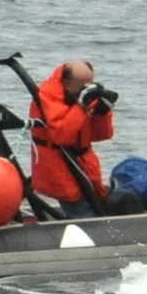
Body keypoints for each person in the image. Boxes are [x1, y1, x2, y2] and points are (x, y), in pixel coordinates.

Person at [29, 60, 120, 217]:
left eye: (88, 86)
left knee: (110, 202)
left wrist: (102, 113)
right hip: (58, 166)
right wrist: (81, 106)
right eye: (80, 88)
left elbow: (100, 135)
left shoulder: (76, 95)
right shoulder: (48, 95)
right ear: (66, 82)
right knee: (82, 212)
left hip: (82, 165)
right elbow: (61, 136)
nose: (83, 92)